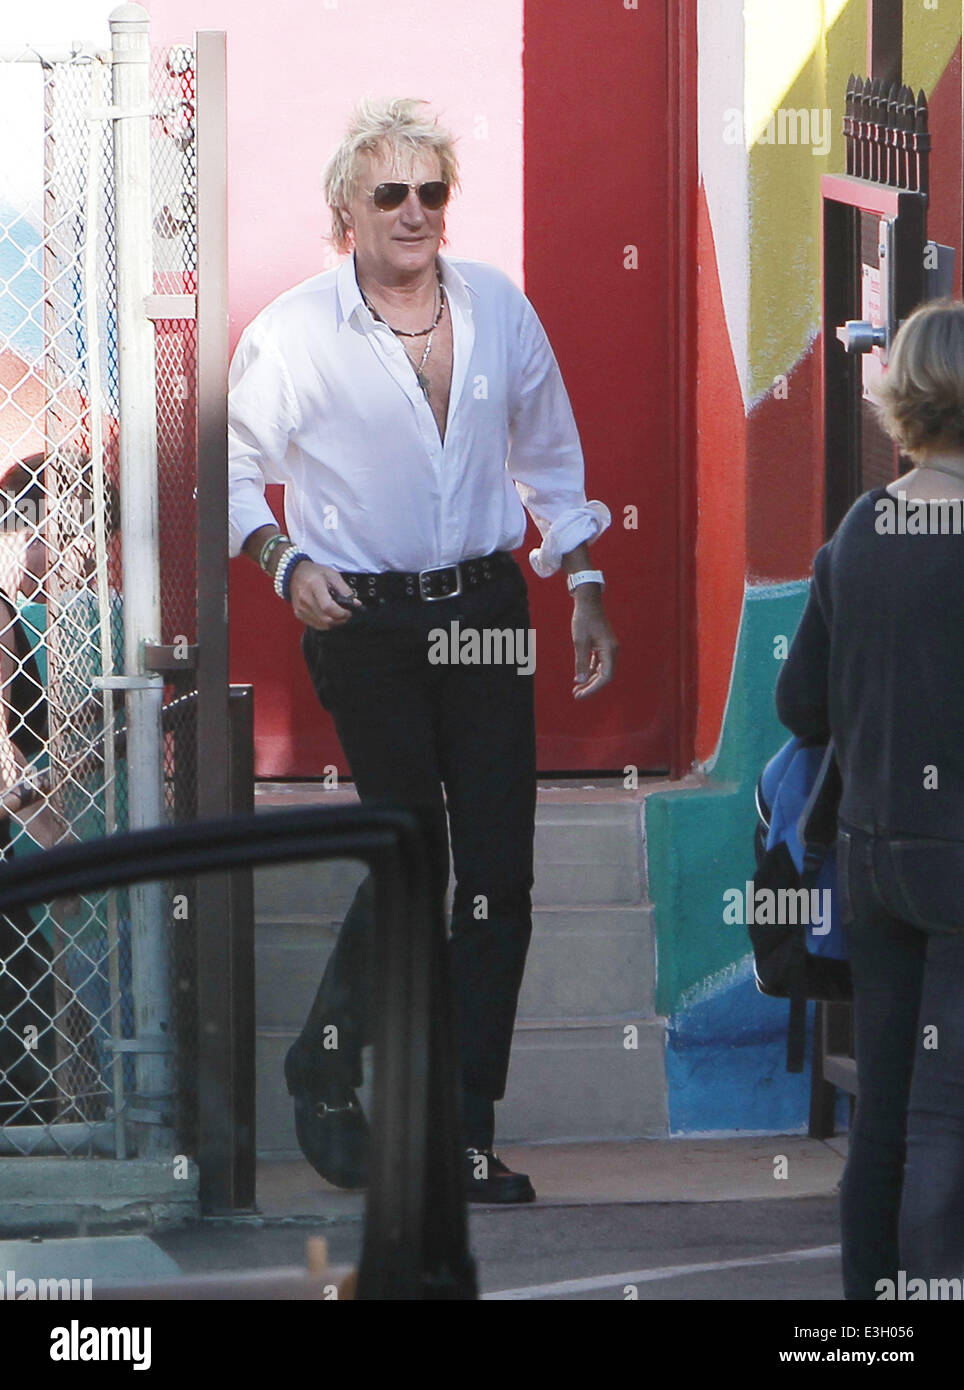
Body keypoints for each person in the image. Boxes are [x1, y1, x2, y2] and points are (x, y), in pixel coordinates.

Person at [228, 97, 617, 1203]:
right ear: (344, 207)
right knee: (411, 851)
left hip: (488, 608)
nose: (413, 212)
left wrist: (583, 578)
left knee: (499, 871)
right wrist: (281, 559)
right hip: (367, 623)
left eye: (431, 191)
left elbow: (549, 455)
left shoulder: (495, 307)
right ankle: (332, 1060)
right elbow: (234, 468)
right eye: (389, 192)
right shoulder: (296, 329)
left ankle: (462, 1130)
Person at [776, 297, 964, 1298]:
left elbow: (798, 701)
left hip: (871, 855)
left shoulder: (863, 524)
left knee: (884, 1114)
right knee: (948, 1114)